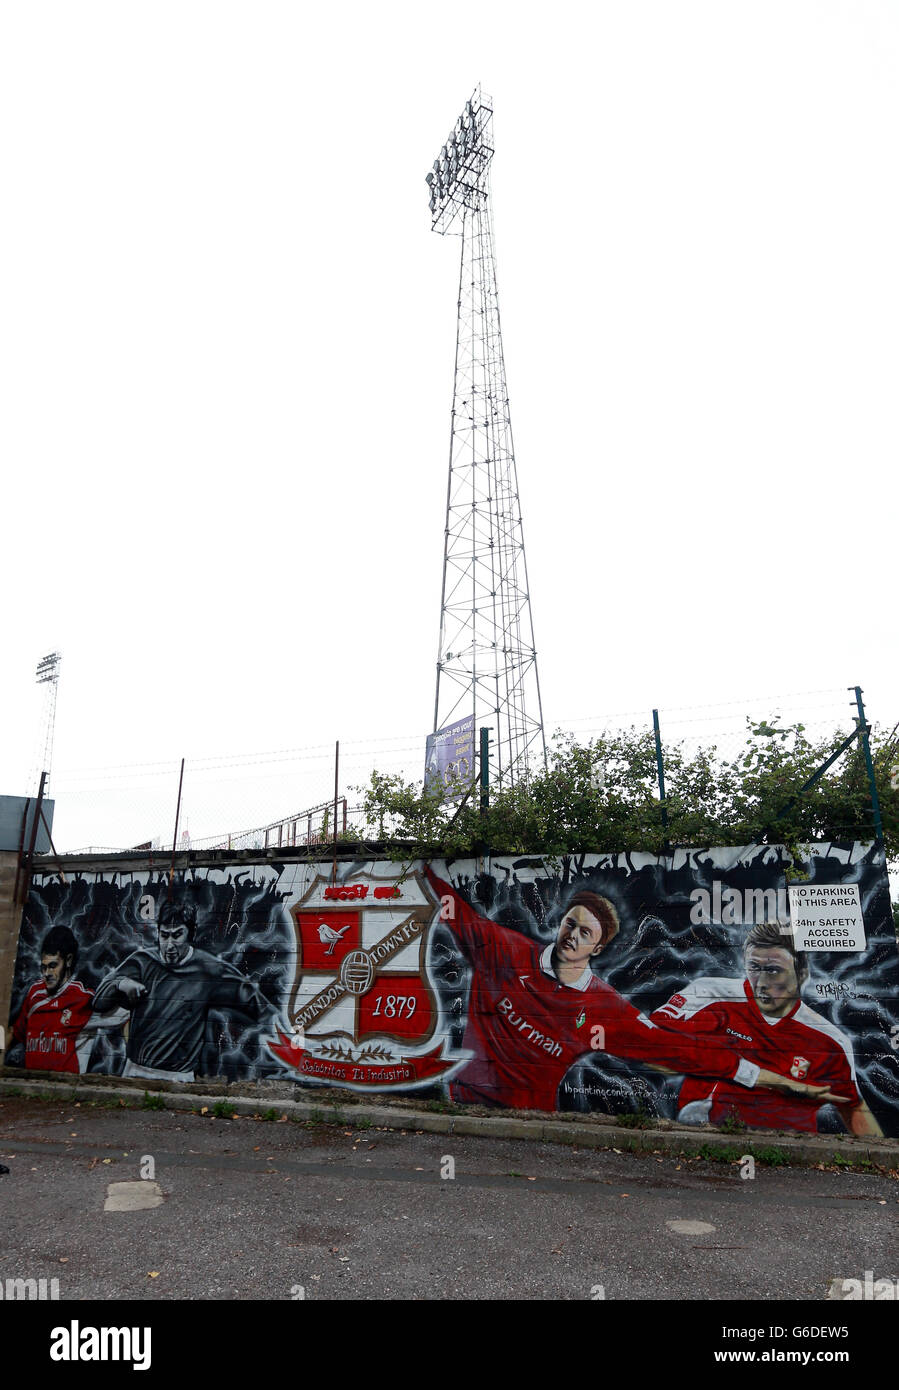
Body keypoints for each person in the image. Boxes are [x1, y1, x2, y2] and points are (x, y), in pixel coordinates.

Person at [426, 868, 840, 1114]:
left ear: (598, 947)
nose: (572, 936)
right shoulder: (504, 949)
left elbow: (683, 1051)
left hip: (530, 1118)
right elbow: (451, 904)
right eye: (571, 923)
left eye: (585, 932)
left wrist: (777, 1081)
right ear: (561, 922)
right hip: (462, 1100)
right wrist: (412, 867)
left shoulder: (605, 1007)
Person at [650, 921, 881, 1135]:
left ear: (801, 973)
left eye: (772, 970)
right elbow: (649, 1044)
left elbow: (852, 1108)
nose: (760, 983)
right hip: (712, 1134)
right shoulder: (710, 996)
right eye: (754, 967)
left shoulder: (830, 1040)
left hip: (794, 1150)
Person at [92, 899, 274, 1083]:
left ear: (190, 934)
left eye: (177, 935)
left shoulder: (208, 970)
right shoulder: (142, 962)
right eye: (164, 936)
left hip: (179, 1078)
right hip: (134, 1071)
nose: (169, 945)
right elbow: (97, 1002)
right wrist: (120, 984)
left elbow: (257, 1003)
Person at [10, 927, 95, 1074]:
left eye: (53, 966)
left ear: (68, 961)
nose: (47, 974)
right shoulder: (34, 993)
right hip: (31, 1084)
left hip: (65, 1087)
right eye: (43, 967)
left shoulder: (83, 996)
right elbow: (14, 1033)